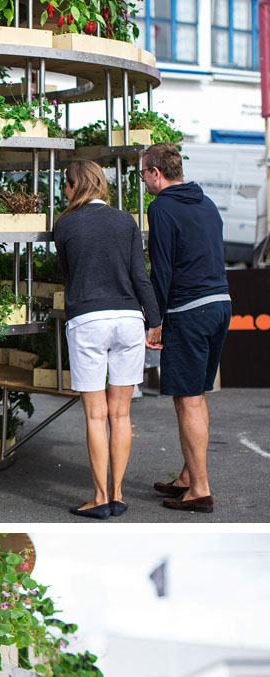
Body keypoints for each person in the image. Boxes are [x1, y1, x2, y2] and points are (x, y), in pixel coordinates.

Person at [53, 159, 162, 520]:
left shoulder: (64, 225)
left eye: (65, 185)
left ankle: (99, 497)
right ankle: (117, 493)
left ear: (74, 186)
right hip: (129, 319)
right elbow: (139, 275)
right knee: (121, 413)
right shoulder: (125, 220)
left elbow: (71, 276)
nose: (63, 191)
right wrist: (155, 320)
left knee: (96, 416)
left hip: (88, 321)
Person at [141, 142, 231, 515]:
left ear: (156, 173)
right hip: (220, 304)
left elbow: (162, 269)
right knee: (194, 395)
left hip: (189, 310)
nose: (142, 180)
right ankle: (187, 477)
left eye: (142, 173)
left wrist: (155, 321)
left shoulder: (161, 208)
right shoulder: (206, 203)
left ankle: (200, 489)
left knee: (189, 398)